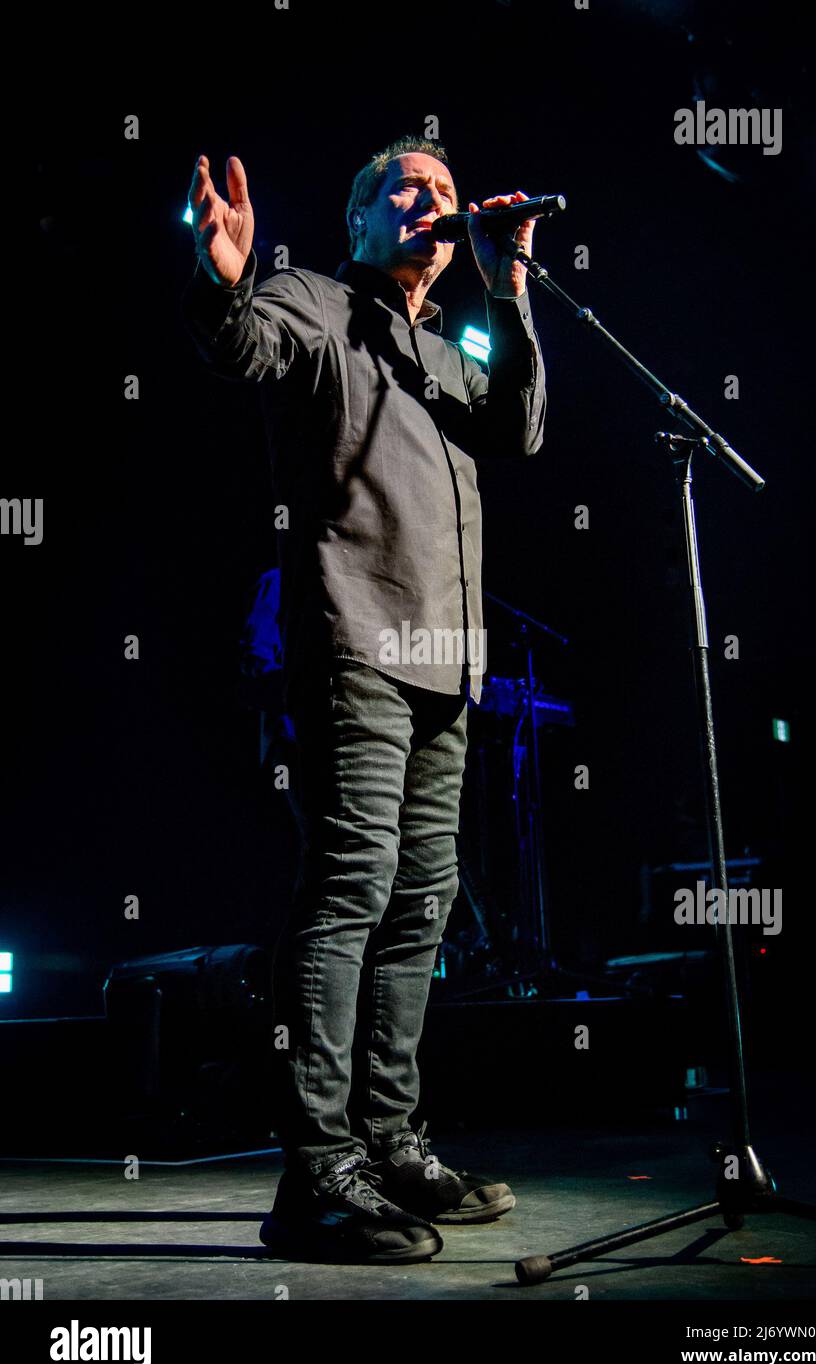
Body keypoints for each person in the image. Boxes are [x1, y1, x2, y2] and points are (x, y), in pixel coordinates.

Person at [182, 134, 546, 1263]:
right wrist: (225, 274)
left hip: (448, 662)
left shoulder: (448, 351)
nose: (426, 201)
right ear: (360, 220)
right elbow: (242, 344)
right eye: (404, 187)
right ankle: (315, 1170)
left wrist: (512, 286)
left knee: (420, 904)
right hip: (352, 640)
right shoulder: (313, 301)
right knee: (352, 886)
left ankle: (390, 1143)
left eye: (441, 190)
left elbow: (521, 429)